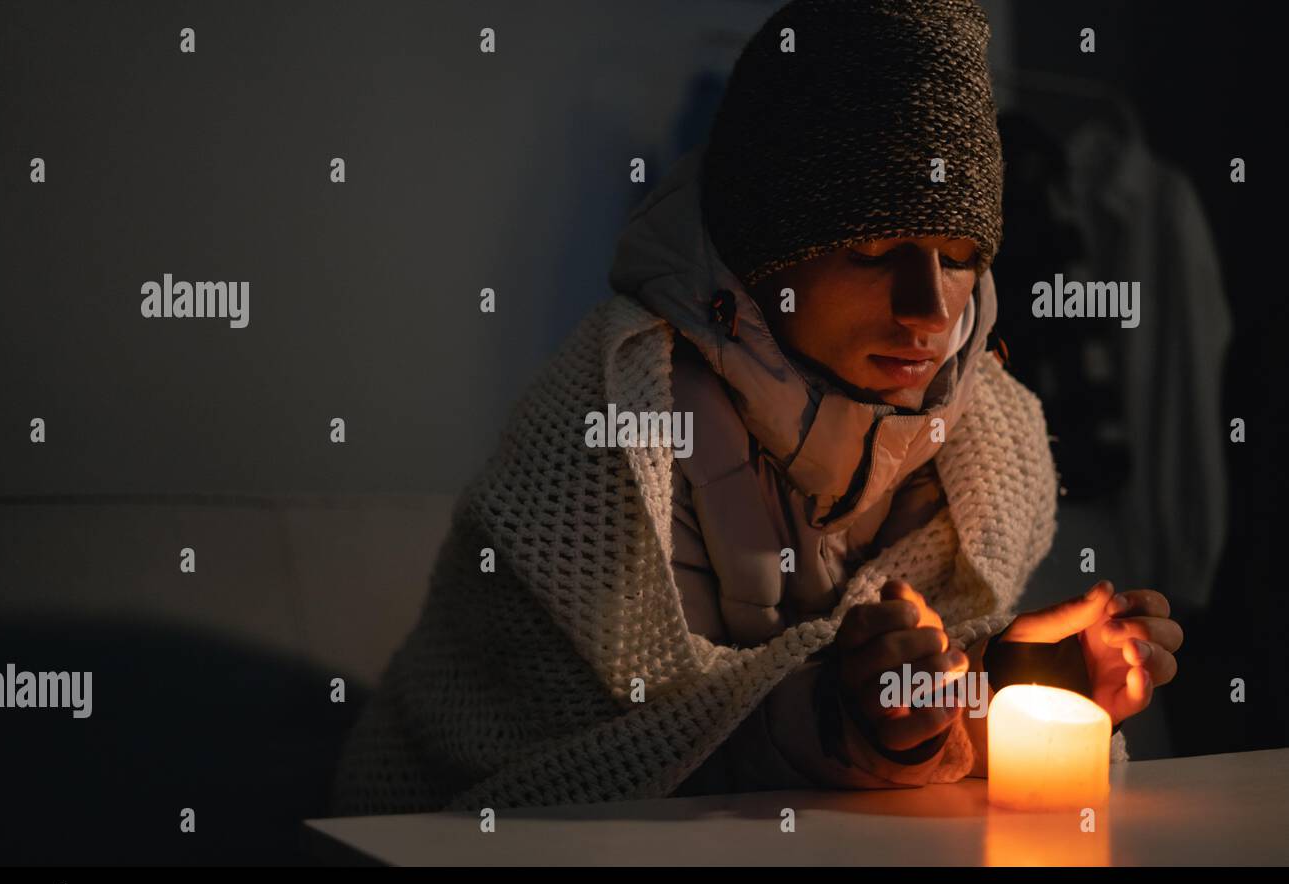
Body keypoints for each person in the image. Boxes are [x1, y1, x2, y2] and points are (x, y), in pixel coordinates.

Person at [331, 0, 1182, 814]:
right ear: (764, 252)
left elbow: (904, 741)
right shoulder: (616, 429)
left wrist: (1013, 680)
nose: (931, 309)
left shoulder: (991, 440)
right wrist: (846, 718)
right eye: (875, 249)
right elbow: (615, 769)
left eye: (960, 257)